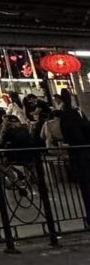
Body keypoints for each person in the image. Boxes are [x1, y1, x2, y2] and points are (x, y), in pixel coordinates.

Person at [57, 90, 90, 224]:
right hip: (83, 153)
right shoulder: (73, 115)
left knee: (87, 187)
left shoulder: (72, 115)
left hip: (81, 154)